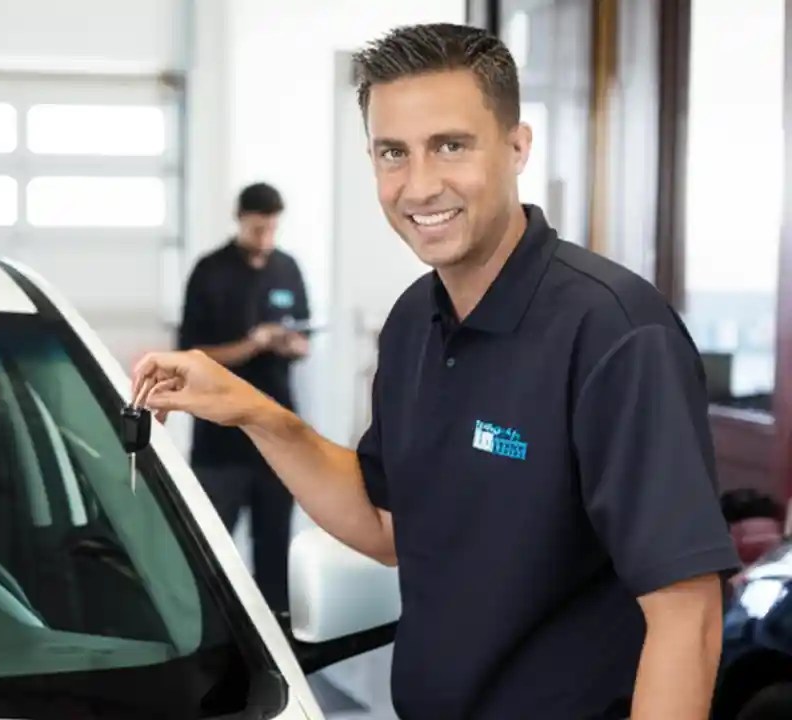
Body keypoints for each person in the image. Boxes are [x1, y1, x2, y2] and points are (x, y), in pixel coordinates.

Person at [132, 23, 738, 720]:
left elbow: (686, 617)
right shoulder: (413, 322)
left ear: (516, 147)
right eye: (394, 153)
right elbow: (387, 526)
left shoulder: (614, 332)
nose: (419, 186)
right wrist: (251, 410)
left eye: (450, 145)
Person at [177, 181, 310, 613]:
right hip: (221, 442)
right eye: (257, 231)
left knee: (275, 553)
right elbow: (192, 353)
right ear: (240, 220)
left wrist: (290, 344)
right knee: (211, 552)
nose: (265, 240)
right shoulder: (209, 272)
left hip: (276, 438)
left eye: (271, 230)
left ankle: (277, 642)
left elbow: (305, 339)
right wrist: (252, 344)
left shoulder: (287, 268)